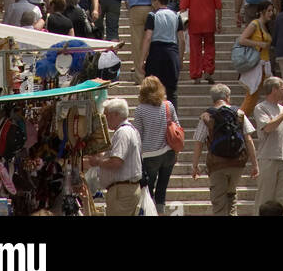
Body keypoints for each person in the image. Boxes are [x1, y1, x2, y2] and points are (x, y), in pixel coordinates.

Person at [191, 83, 258, 216]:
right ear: (228, 97)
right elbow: (249, 139)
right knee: (231, 195)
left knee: (219, 202)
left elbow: (199, 142)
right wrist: (255, 164)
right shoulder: (239, 113)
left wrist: (195, 165)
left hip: (217, 164)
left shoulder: (207, 116)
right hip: (237, 162)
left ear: (213, 99)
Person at [131, 75, 181, 216]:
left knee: (148, 189)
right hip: (169, 153)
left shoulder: (140, 109)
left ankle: (150, 212)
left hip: (150, 155)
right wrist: (177, 152)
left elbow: (137, 135)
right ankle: (160, 213)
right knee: (162, 189)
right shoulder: (168, 105)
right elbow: (177, 128)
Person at [85, 97, 142, 216]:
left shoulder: (123, 133)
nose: (105, 119)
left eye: (107, 115)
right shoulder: (128, 131)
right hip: (123, 190)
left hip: (122, 192)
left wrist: (98, 162)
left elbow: (116, 162)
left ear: (116, 114)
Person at [252, 75, 283, 212]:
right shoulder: (261, 108)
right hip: (269, 157)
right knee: (265, 197)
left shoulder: (282, 108)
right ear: (274, 90)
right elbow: (268, 128)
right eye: (282, 88)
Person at [180, 0, 223, 83]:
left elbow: (183, 6)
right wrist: (219, 22)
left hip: (194, 22)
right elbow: (219, 6)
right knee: (210, 47)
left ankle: (196, 74)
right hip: (209, 21)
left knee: (195, 49)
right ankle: (208, 70)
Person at [140, 0, 184, 108]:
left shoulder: (152, 15)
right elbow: (182, 39)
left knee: (152, 89)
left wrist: (142, 59)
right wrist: (180, 59)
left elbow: (148, 38)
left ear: (157, 1)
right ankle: (172, 122)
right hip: (172, 53)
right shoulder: (176, 15)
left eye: (153, 0)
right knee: (172, 91)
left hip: (156, 53)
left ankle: (152, 117)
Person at [237, 0, 274, 116]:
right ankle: (239, 120)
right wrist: (259, 44)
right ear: (262, 12)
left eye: (272, 10)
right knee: (252, 96)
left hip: (265, 65)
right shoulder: (255, 24)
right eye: (269, 11)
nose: (271, 13)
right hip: (257, 65)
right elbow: (242, 40)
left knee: (272, 91)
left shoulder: (265, 25)